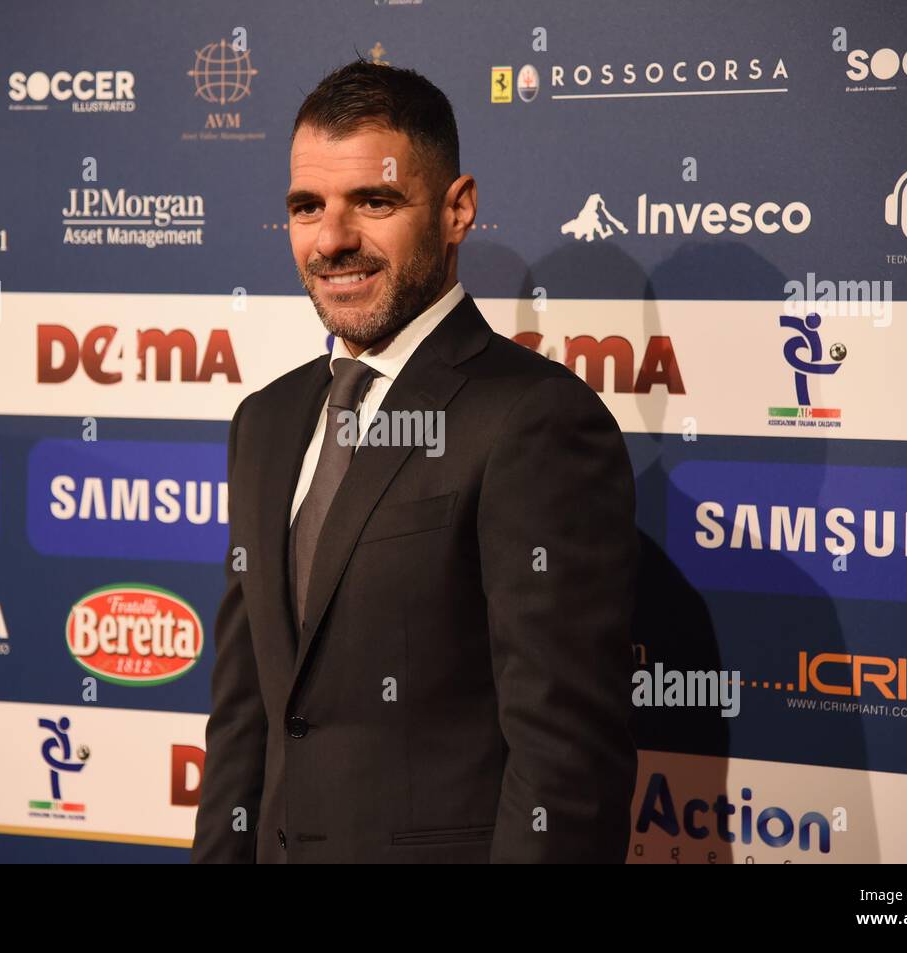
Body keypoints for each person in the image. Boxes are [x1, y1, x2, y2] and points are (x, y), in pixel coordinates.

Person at [191, 59, 638, 863]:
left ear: (456, 210)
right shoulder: (264, 422)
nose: (332, 239)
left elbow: (566, 765)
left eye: (375, 200)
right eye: (307, 207)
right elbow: (245, 720)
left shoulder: (534, 420)